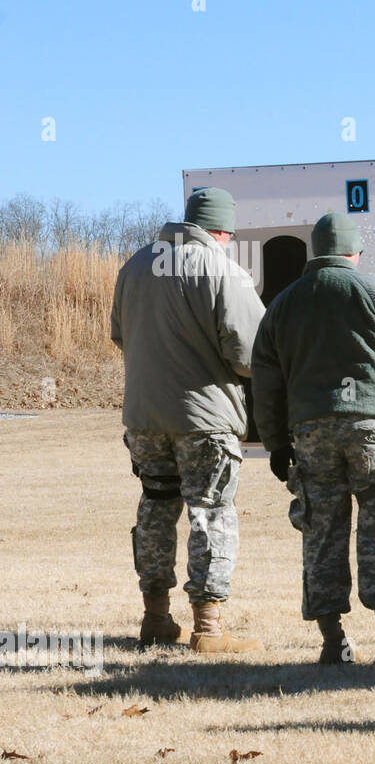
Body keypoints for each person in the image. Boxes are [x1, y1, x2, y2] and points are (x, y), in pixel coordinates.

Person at [252, 213, 375, 665]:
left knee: (321, 533)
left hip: (311, 431)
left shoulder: (283, 304)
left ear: (315, 252)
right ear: (354, 253)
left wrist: (276, 443)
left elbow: (265, 382)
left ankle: (332, 641)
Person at [111, 186, 265, 652]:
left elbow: (120, 334)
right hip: (204, 419)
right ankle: (209, 628)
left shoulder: (136, 265)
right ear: (223, 230)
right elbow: (250, 352)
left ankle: (155, 617)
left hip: (143, 416)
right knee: (210, 513)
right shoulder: (222, 269)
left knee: (156, 506)